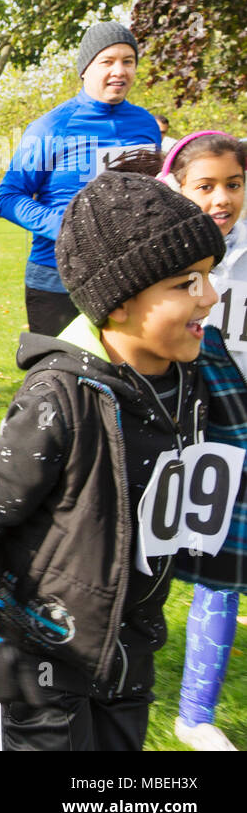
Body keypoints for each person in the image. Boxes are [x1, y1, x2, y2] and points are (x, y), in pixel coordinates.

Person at [0, 171, 227, 751]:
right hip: (44, 653)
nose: (210, 296)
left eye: (209, 277)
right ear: (119, 306)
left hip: (134, 648)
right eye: (185, 283)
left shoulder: (196, 381)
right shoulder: (61, 399)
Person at [160, 132, 247, 751]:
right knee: (159, 550)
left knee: (225, 568)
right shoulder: (160, 252)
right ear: (178, 188)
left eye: (234, 184)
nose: (222, 198)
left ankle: (195, 714)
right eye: (206, 185)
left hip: (239, 416)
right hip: (187, 416)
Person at [0, 22, 161, 336]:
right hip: (58, 279)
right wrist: (67, 226)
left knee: (126, 378)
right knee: (59, 381)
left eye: (128, 61)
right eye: (107, 61)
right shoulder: (52, 126)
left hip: (128, 276)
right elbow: (8, 198)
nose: (119, 70)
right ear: (85, 69)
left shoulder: (145, 125)